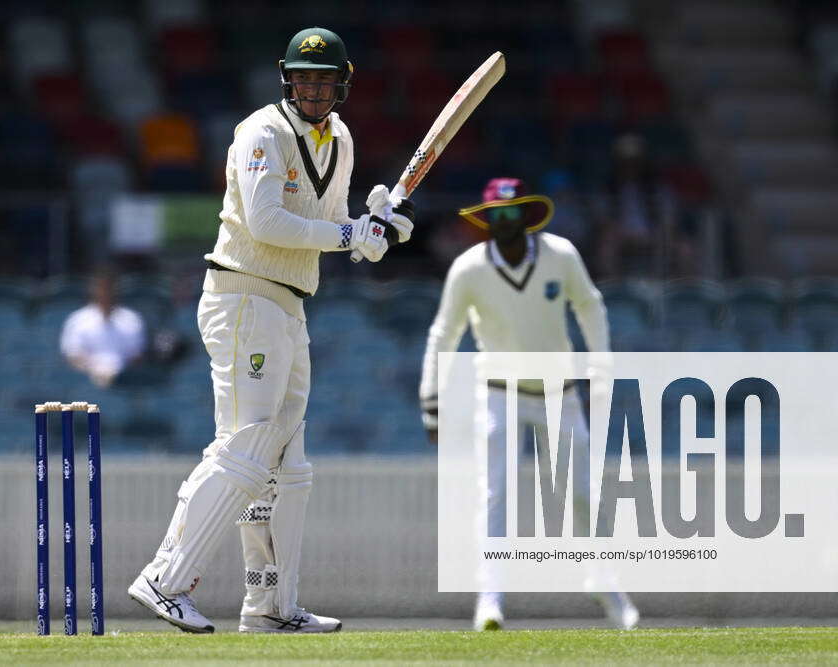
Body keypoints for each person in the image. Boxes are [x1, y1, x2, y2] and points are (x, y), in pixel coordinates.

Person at [127, 27, 414, 634]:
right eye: (303, 78)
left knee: (289, 463)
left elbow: (333, 227)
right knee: (247, 446)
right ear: (288, 79)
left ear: (342, 84)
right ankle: (164, 578)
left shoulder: (341, 138)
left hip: (289, 304)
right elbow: (266, 222)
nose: (313, 89)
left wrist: (375, 229)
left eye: (324, 79)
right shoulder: (262, 132)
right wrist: (347, 235)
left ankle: (271, 605)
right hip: (242, 294)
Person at [418, 177, 638, 631]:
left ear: (526, 216)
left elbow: (590, 305)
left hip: (559, 394)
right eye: (495, 215)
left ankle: (604, 581)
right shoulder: (469, 269)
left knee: (582, 492)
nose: (504, 222)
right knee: (496, 494)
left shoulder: (559, 255)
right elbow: (444, 333)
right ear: (485, 221)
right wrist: (431, 400)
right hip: (499, 393)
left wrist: (600, 368)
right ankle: (490, 599)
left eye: (511, 213)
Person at [59, 269, 146, 388]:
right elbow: (72, 355)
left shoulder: (131, 319)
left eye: (109, 287)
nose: (105, 292)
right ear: (93, 289)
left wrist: (115, 373)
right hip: (86, 382)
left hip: (124, 381)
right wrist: (96, 371)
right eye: (101, 287)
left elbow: (137, 356)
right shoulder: (77, 319)